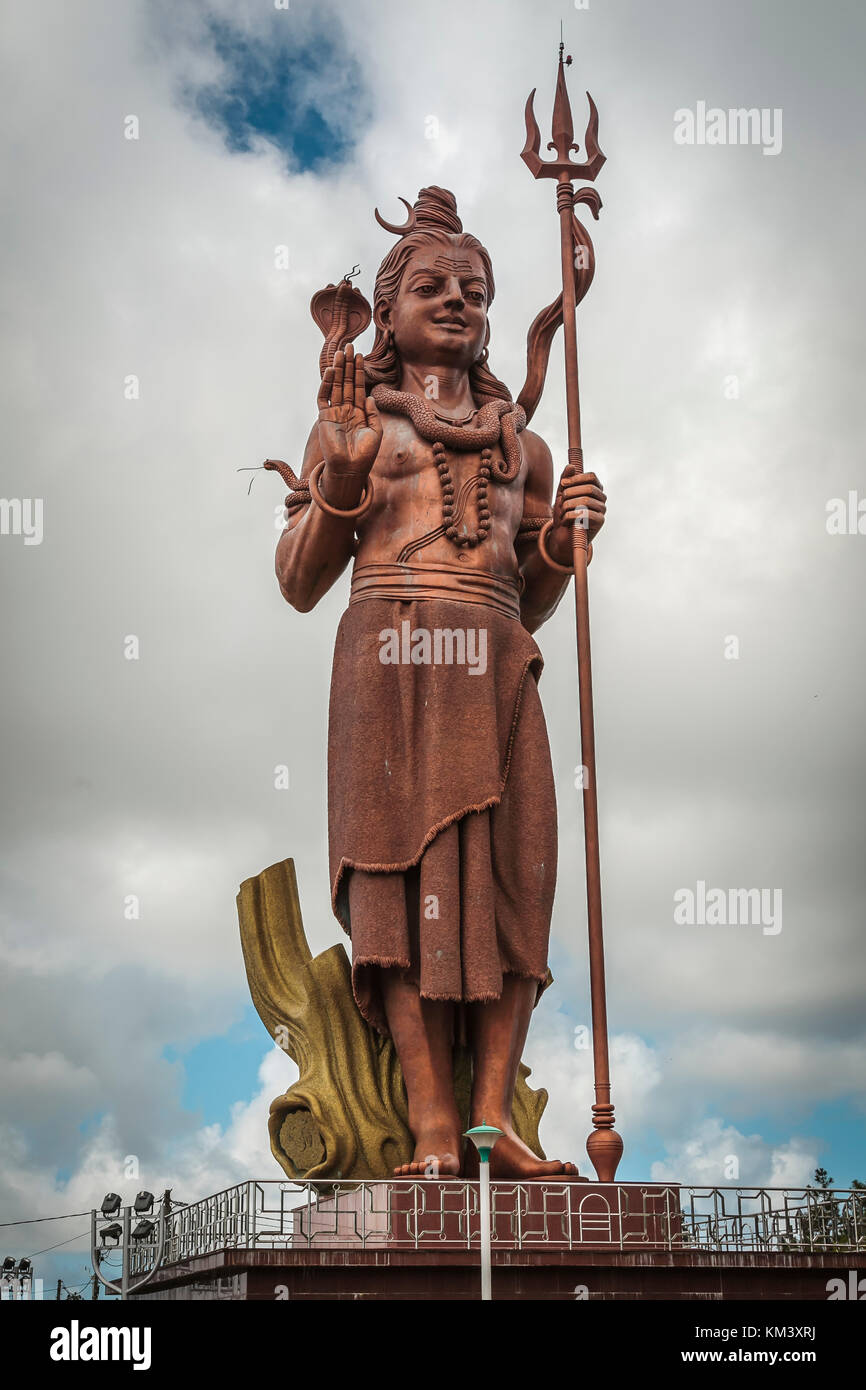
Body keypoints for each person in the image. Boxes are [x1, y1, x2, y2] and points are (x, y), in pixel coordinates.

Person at [275, 187, 606, 1178]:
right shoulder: (352, 422)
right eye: (431, 286)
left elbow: (534, 595)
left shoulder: (524, 445)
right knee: (400, 895)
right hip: (390, 664)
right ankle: (429, 1124)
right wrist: (337, 479)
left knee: (513, 888)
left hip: (498, 664)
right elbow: (297, 581)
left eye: (474, 288)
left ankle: (493, 1117)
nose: (457, 301)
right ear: (386, 314)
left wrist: (561, 537)